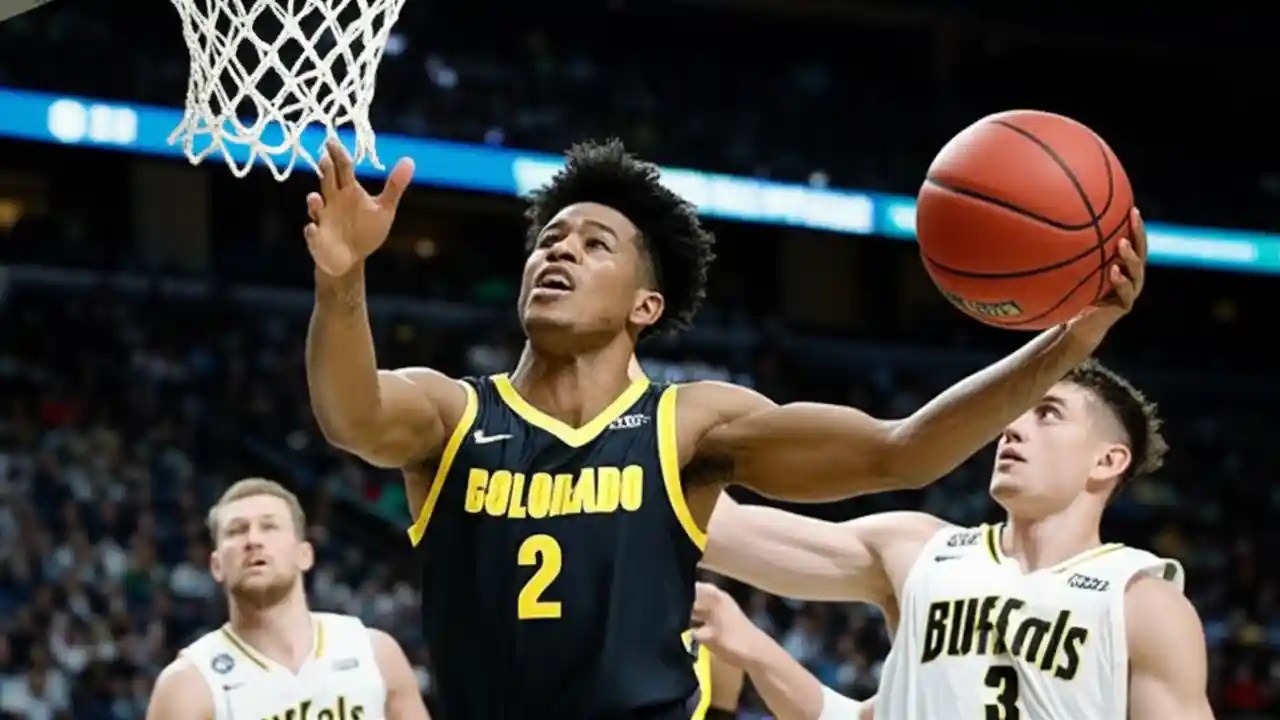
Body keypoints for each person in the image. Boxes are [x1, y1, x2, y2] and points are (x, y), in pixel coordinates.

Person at [302, 136, 1146, 718]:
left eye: (596, 244)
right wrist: (341, 282)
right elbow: (352, 415)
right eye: (549, 239)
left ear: (646, 304)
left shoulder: (691, 424)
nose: (558, 252)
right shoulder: (454, 412)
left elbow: (904, 449)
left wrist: (1071, 340)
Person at [699, 360, 1214, 719]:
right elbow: (725, 531)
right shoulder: (917, 549)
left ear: (1107, 461)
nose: (1011, 430)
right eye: (1013, 414)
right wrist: (753, 647)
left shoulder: (1141, 602)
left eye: (1047, 413)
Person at [146, 478, 429, 720]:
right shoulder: (188, 685)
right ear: (216, 565)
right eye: (236, 530)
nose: (253, 540)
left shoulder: (375, 653)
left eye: (269, 527)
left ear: (304, 554)